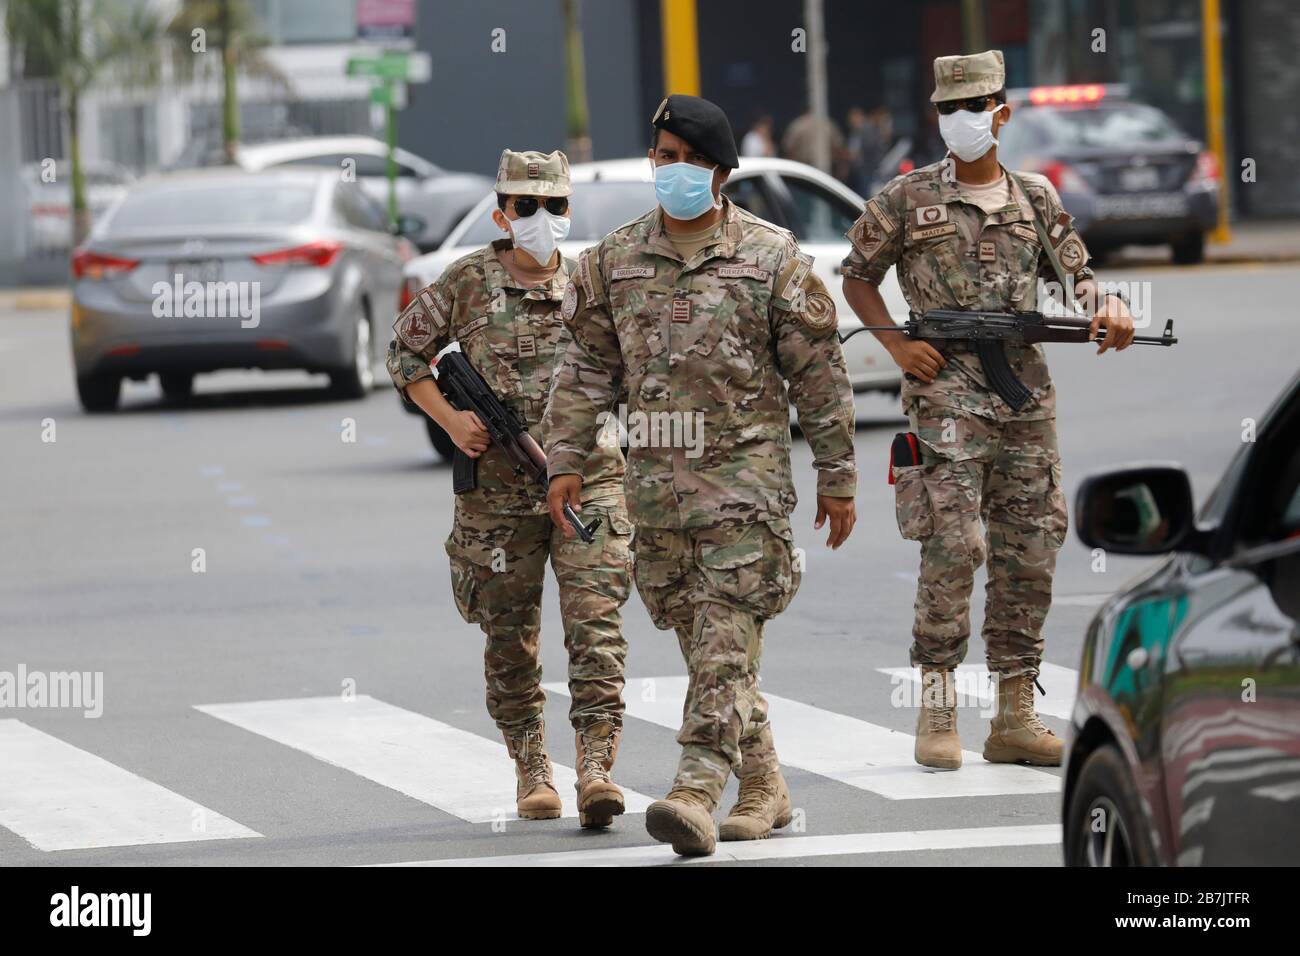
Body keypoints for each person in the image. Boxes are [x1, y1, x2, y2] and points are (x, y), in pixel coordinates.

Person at [542, 94, 858, 856]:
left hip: (745, 491)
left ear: (718, 170)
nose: (670, 169)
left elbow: (818, 373)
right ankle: (766, 785)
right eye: (661, 156)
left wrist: (838, 473)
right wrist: (566, 460)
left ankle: (694, 788)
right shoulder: (613, 262)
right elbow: (586, 369)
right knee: (711, 647)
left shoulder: (772, 257)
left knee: (723, 638)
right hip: (658, 498)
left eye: (686, 158)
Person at [840, 51, 1135, 770]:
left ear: (1002, 113)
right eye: (948, 109)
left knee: (1029, 549)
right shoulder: (907, 199)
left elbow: (1080, 279)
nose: (961, 121)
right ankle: (937, 706)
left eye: (975, 107)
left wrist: (1109, 307)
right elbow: (857, 279)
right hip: (944, 394)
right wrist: (898, 348)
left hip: (1024, 401)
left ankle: (1012, 713)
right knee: (953, 545)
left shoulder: (1034, 197)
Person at [386, 149, 634, 827]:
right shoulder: (466, 281)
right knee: (509, 635)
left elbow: (633, 365)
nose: (541, 219)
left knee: (597, 629)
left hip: (589, 480)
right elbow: (404, 352)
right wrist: (451, 417)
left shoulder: (592, 281)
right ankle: (532, 765)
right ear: (502, 213)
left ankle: (597, 767)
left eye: (554, 206)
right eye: (527, 207)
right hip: (496, 496)